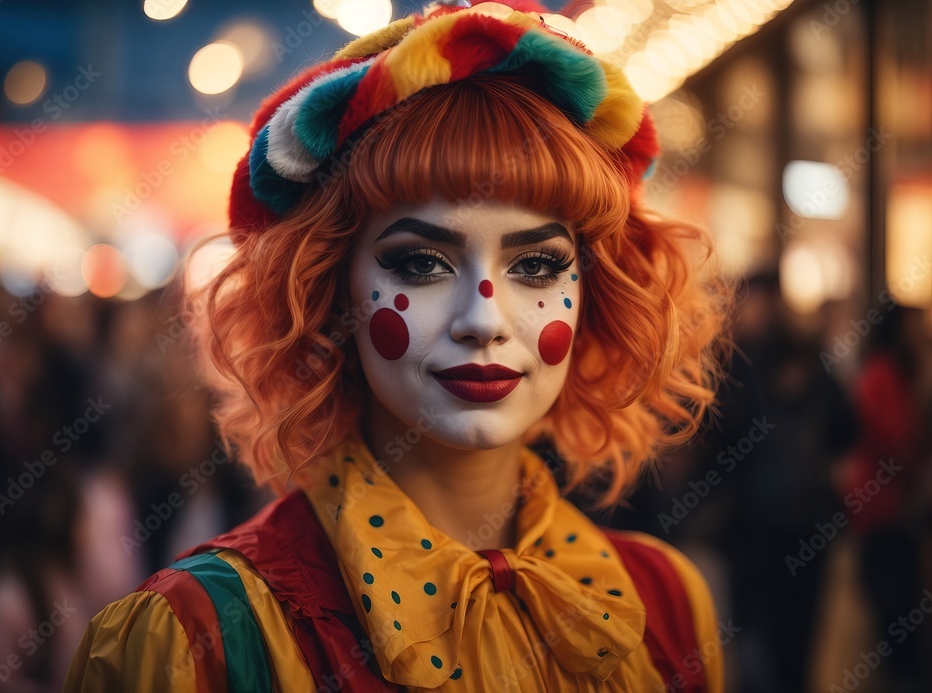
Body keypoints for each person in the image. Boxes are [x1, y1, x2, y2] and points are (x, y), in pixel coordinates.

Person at [64, 1, 732, 690]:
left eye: (535, 265)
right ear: (328, 292)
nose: (484, 319)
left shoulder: (667, 604)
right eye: (420, 263)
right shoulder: (196, 637)